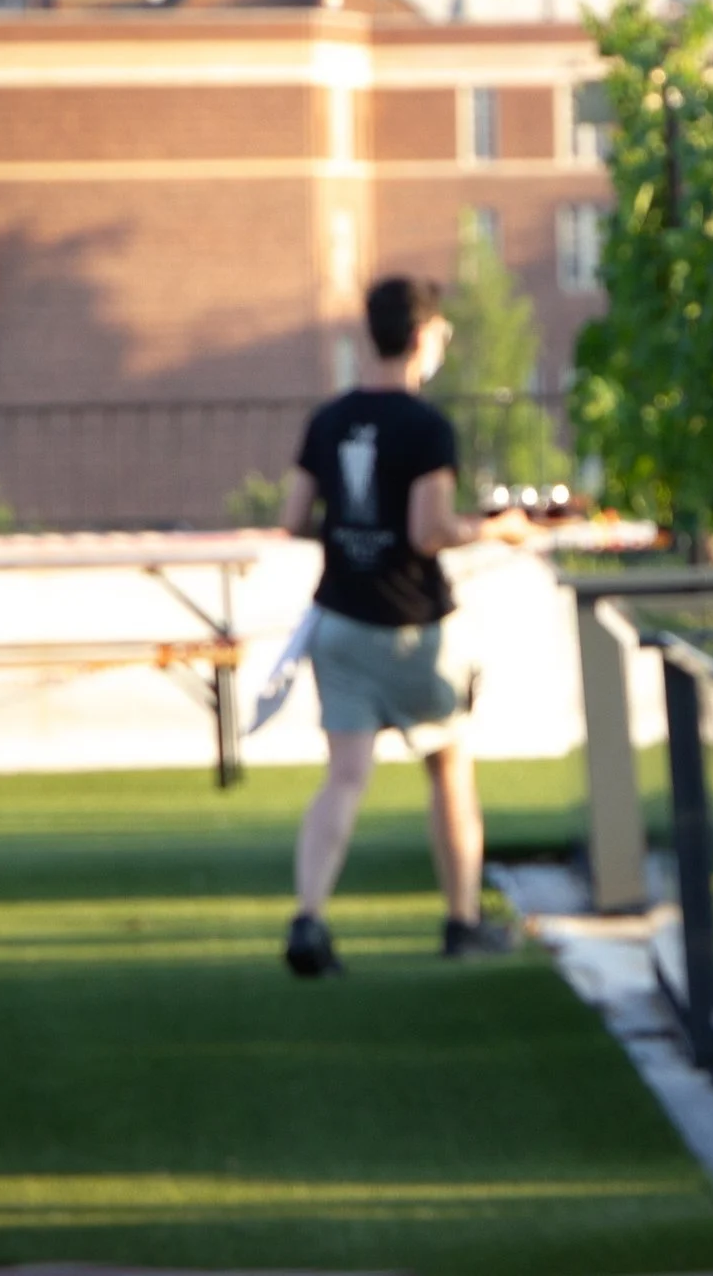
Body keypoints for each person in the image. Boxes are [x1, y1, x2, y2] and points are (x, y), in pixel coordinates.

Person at [279, 275, 531, 978]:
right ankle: (461, 921)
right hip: (414, 628)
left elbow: (293, 518)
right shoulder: (426, 427)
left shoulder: (328, 419)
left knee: (344, 778)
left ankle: (309, 919)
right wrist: (497, 528)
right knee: (448, 768)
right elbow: (428, 531)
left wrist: (350, 532)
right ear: (422, 337)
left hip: (340, 620)